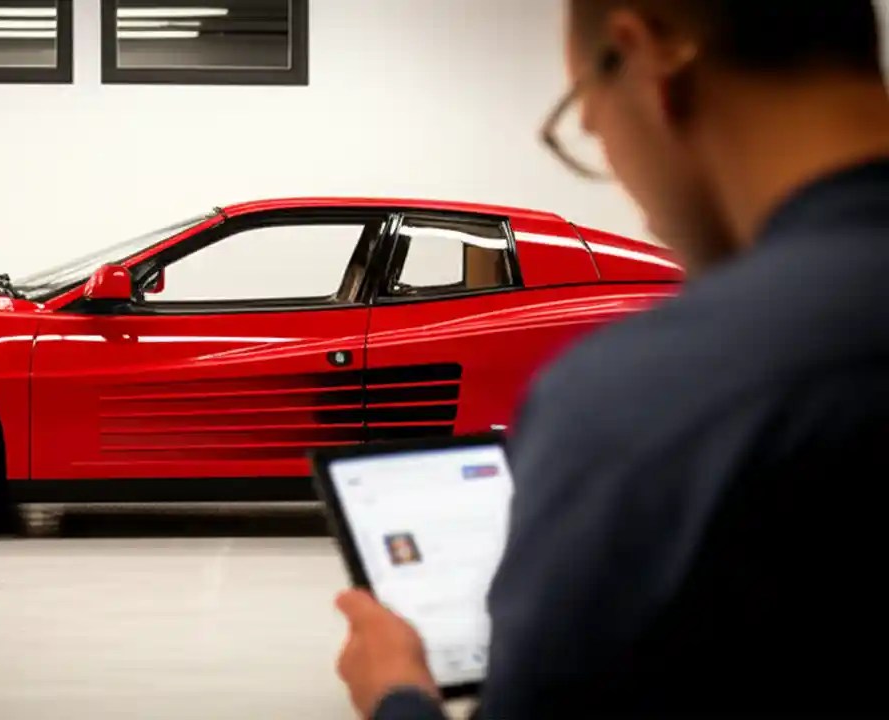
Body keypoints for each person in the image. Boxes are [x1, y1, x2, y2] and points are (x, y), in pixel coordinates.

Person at [333, 1, 889, 718]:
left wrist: (398, 697)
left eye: (588, 125)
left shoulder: (648, 397)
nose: (637, 204)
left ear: (645, 51)